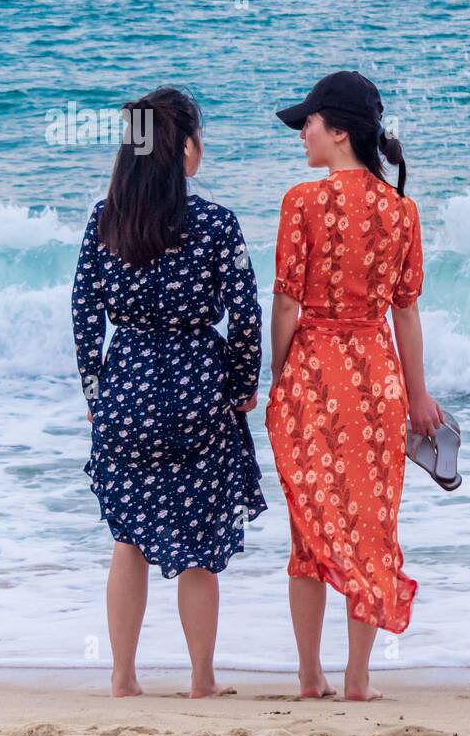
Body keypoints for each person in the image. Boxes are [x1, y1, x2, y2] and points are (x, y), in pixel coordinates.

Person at [71, 87, 264, 699]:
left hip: (125, 388)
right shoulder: (214, 224)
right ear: (184, 149)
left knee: (127, 539)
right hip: (197, 392)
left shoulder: (106, 222)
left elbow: (83, 314)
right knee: (198, 544)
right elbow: (246, 316)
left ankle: (123, 677)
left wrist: (96, 390)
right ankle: (201, 680)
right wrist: (240, 385)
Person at [266, 71, 441, 701]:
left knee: (309, 529)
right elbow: (407, 311)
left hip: (313, 377)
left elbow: (286, 305)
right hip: (377, 381)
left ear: (338, 130)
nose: (302, 133)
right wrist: (419, 397)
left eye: (308, 122)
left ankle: (309, 674)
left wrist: (278, 377)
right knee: (372, 524)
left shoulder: (301, 203)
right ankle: (357, 676)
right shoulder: (400, 211)